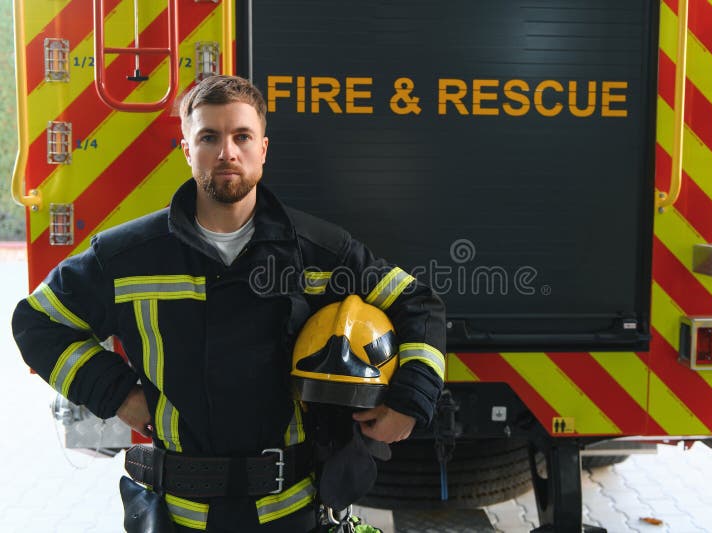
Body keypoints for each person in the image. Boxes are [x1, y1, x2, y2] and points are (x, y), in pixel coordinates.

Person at [11, 75, 446, 532]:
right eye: (209, 137)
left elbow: (418, 303)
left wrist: (410, 402)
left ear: (263, 148)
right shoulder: (126, 257)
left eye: (241, 136)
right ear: (186, 149)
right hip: (179, 514)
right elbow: (38, 323)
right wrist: (116, 393)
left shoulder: (320, 251)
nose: (227, 152)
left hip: (290, 512)